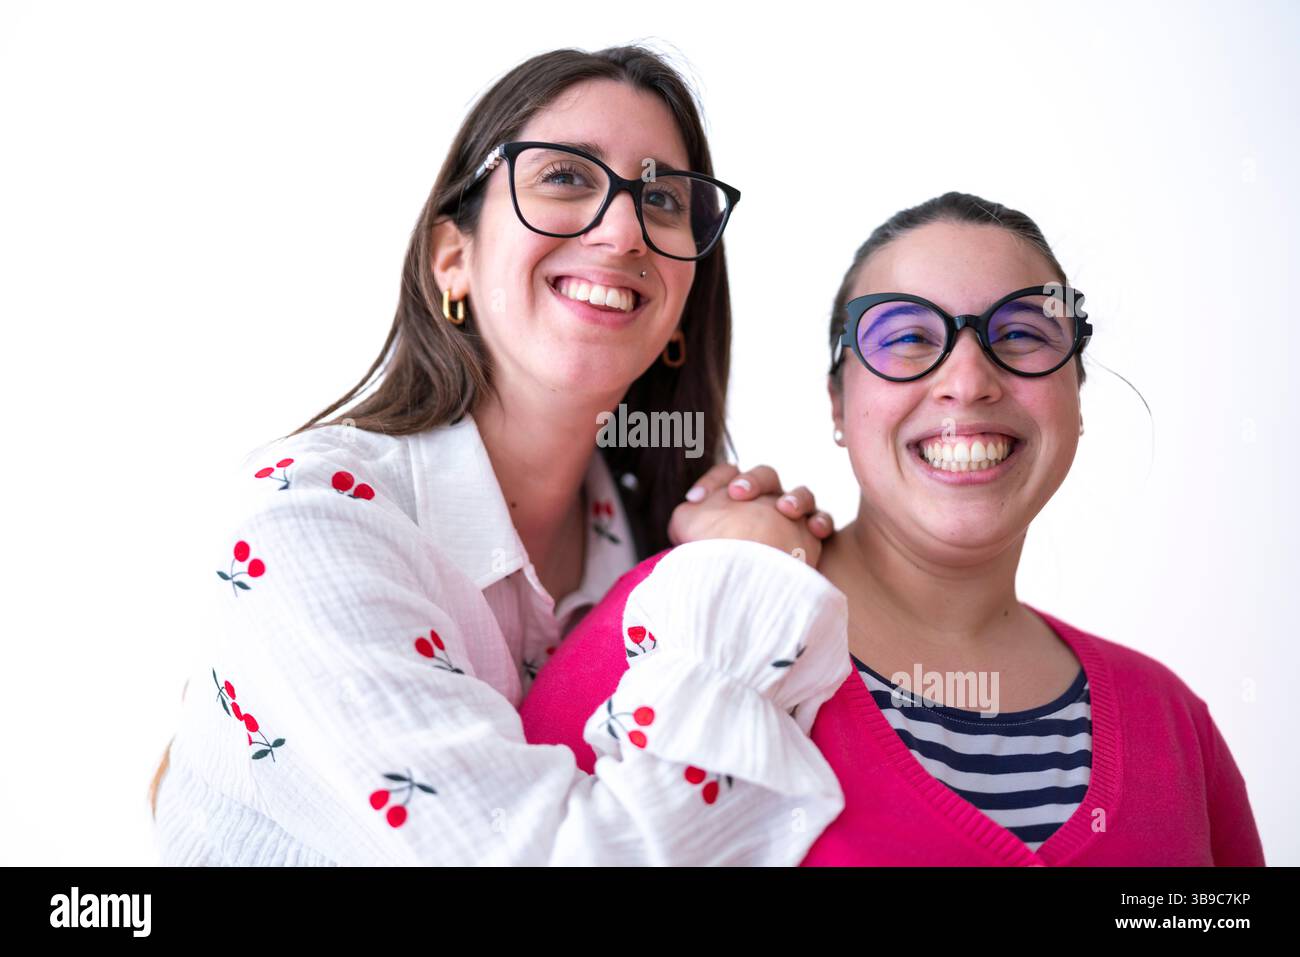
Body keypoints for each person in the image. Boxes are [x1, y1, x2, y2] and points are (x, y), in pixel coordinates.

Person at [148, 44, 852, 866]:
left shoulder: (665, 541)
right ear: (453, 259)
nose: (624, 229)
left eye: (661, 198)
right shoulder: (307, 519)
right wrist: (744, 590)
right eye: (564, 177)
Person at [519, 191, 1267, 866]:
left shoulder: (1172, 724)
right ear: (839, 405)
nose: (968, 379)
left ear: (1076, 390)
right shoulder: (683, 620)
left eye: (1023, 332)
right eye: (906, 337)